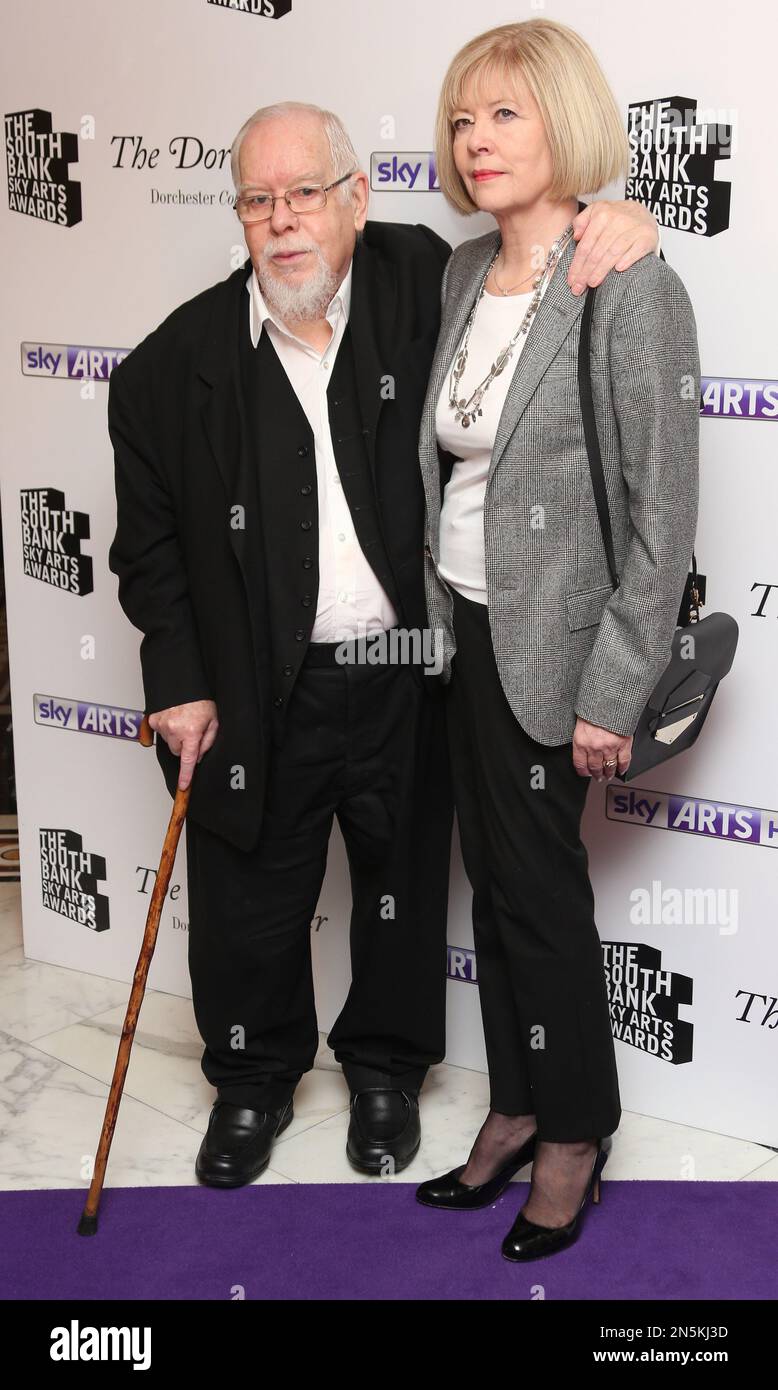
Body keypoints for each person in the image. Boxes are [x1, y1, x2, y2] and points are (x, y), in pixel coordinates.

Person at [107, 98, 660, 1189]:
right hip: (257, 685)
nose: (281, 220)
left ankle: (386, 1069)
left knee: (401, 882)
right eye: (257, 199)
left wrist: (619, 221)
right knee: (249, 900)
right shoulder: (169, 369)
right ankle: (255, 1079)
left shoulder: (429, 286)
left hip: (408, 667)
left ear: (355, 199)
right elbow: (151, 550)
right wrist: (175, 681)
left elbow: (536, 245)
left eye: (304, 192)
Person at [415, 19, 699, 1261]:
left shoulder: (631, 281)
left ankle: (575, 1129)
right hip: (462, 625)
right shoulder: (459, 272)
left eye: (507, 116)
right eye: (464, 118)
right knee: (501, 885)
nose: (478, 141)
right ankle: (518, 1102)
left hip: (566, 652)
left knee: (538, 898)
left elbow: (661, 509)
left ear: (564, 123)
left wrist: (614, 685)